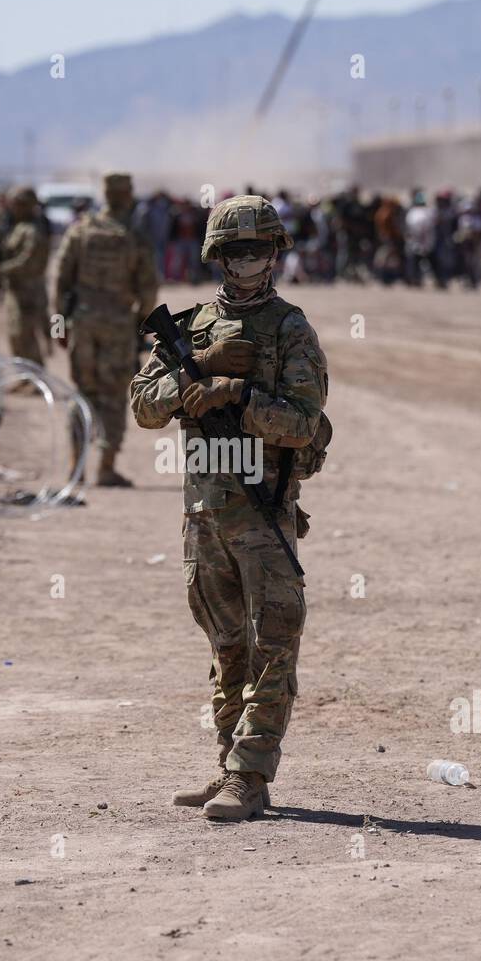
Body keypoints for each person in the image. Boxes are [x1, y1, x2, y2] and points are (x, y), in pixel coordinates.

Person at [130, 195, 329, 821]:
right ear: (218, 256)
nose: (249, 261)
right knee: (226, 651)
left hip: (263, 512)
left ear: (275, 255)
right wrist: (201, 372)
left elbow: (305, 425)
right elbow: (143, 406)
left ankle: (250, 774)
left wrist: (239, 395)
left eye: (259, 250)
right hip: (205, 515)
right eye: (237, 250)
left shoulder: (290, 330)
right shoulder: (188, 330)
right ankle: (227, 764)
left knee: (273, 644)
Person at [54, 171, 157, 486]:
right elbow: (148, 287)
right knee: (113, 395)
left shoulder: (81, 231)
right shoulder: (133, 236)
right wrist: (143, 322)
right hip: (118, 324)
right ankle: (106, 467)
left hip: (83, 322)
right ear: (127, 195)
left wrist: (60, 322)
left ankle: (76, 466)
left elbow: (61, 279)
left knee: (84, 393)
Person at [0, 187, 50, 373]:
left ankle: (36, 375)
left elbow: (27, 262)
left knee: (26, 335)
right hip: (16, 289)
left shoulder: (32, 230)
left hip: (28, 292)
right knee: (16, 335)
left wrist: (0, 269)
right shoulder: (18, 227)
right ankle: (24, 375)